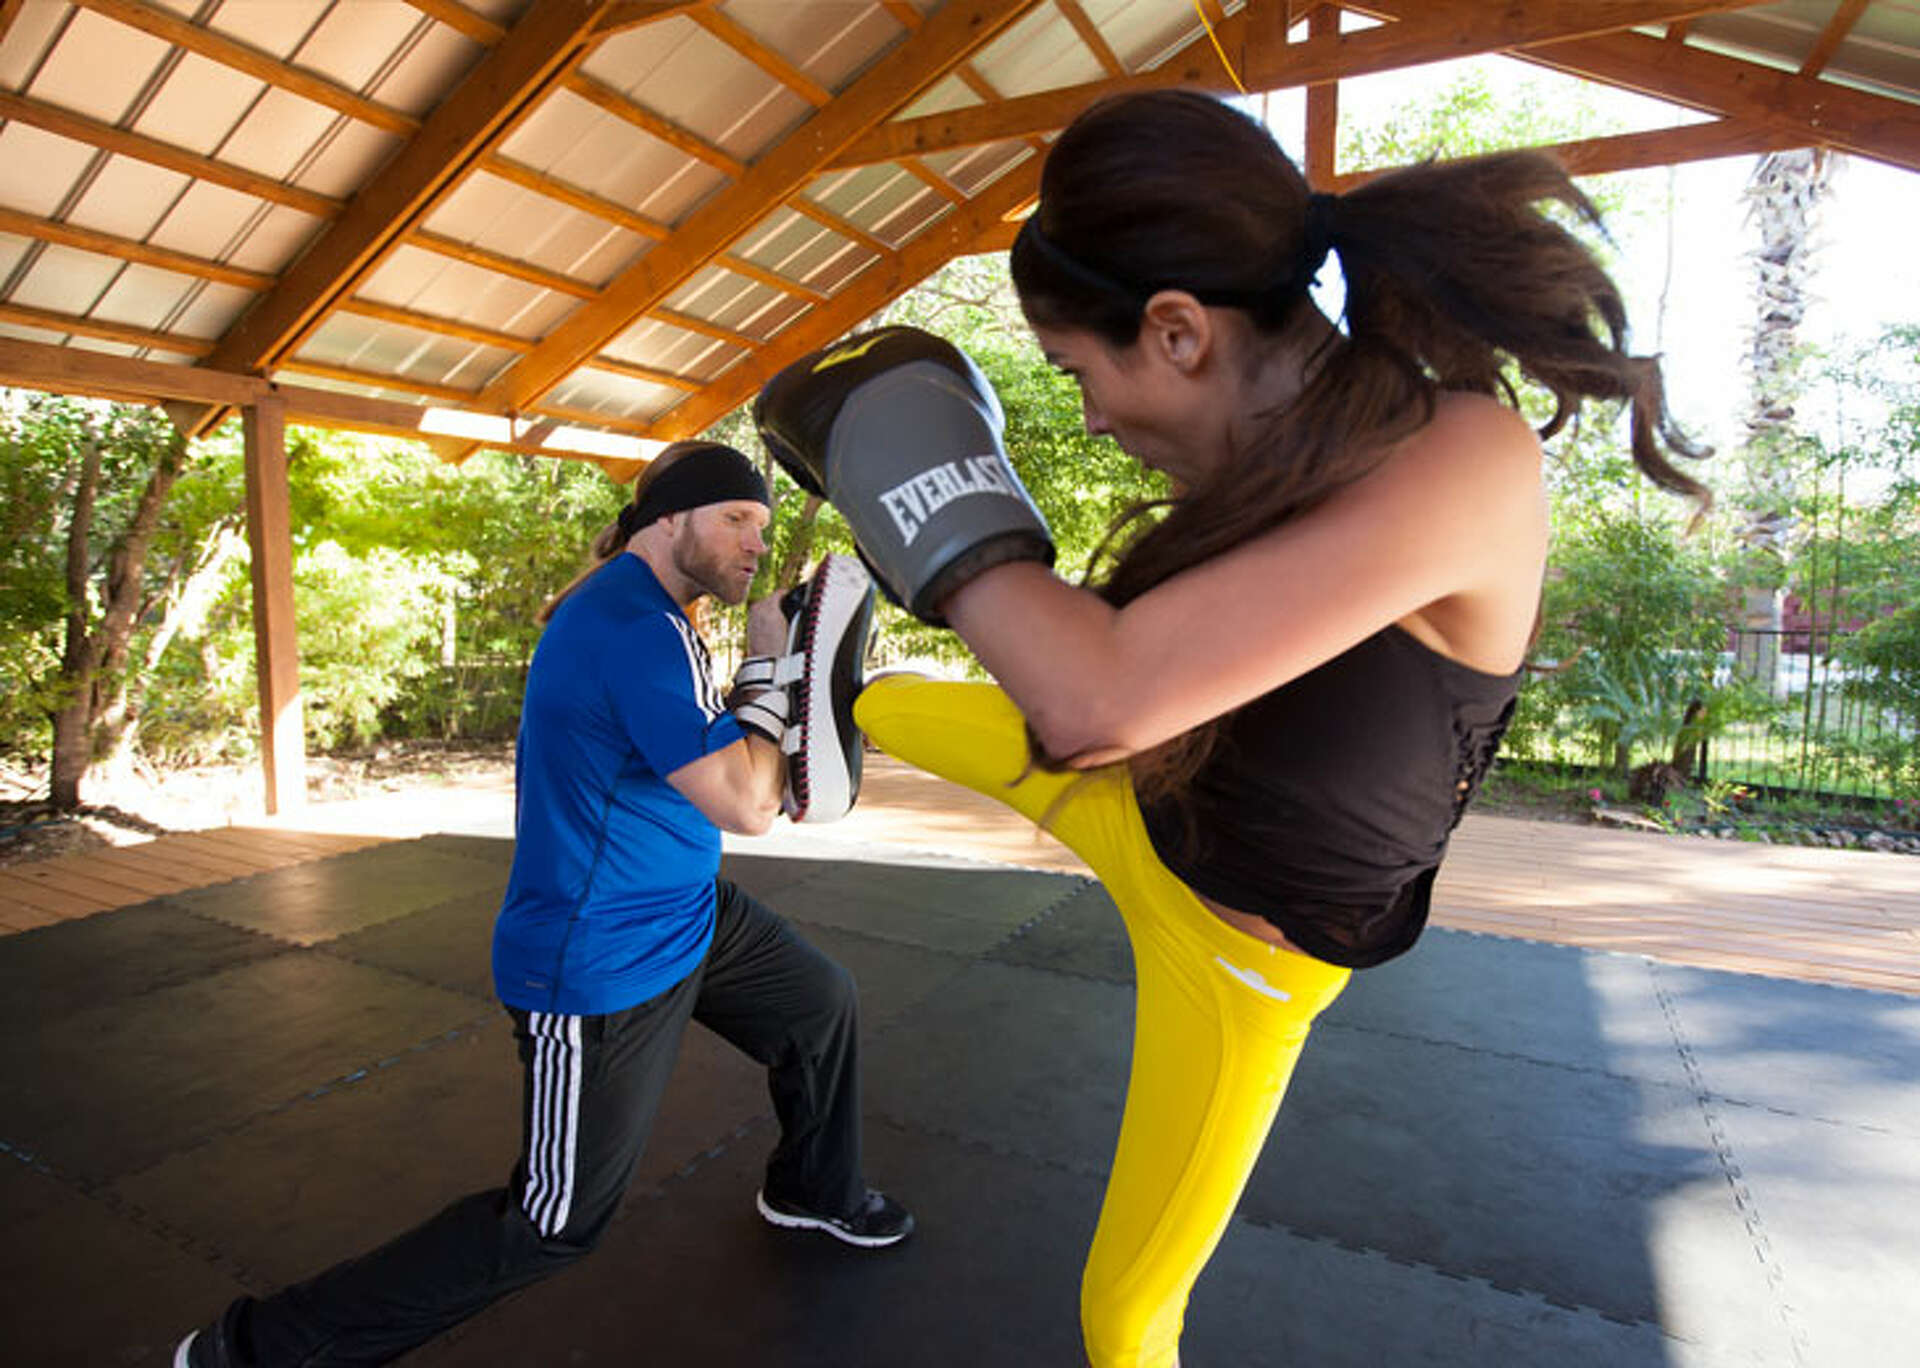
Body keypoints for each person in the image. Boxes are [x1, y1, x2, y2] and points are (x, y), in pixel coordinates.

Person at [753, 90, 1708, 1368]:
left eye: (1080, 375)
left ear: (1178, 330)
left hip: (1235, 963)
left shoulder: (1464, 458)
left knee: (1125, 1312)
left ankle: (851, 695)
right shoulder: (1275, 464)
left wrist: (915, 474)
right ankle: (838, 691)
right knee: (960, 719)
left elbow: (1093, 698)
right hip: (1148, 800)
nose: (1091, 419)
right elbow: (1097, 705)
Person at [175, 440, 911, 1368]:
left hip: (686, 909)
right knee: (551, 1221)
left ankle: (812, 1186)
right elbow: (749, 804)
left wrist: (775, 683)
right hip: (599, 954)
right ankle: (255, 1349)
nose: (756, 543)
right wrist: (771, 664)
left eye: (760, 525)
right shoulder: (632, 628)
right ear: (669, 520)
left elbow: (700, 749)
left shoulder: (654, 613)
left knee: (819, 1003)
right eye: (736, 519)